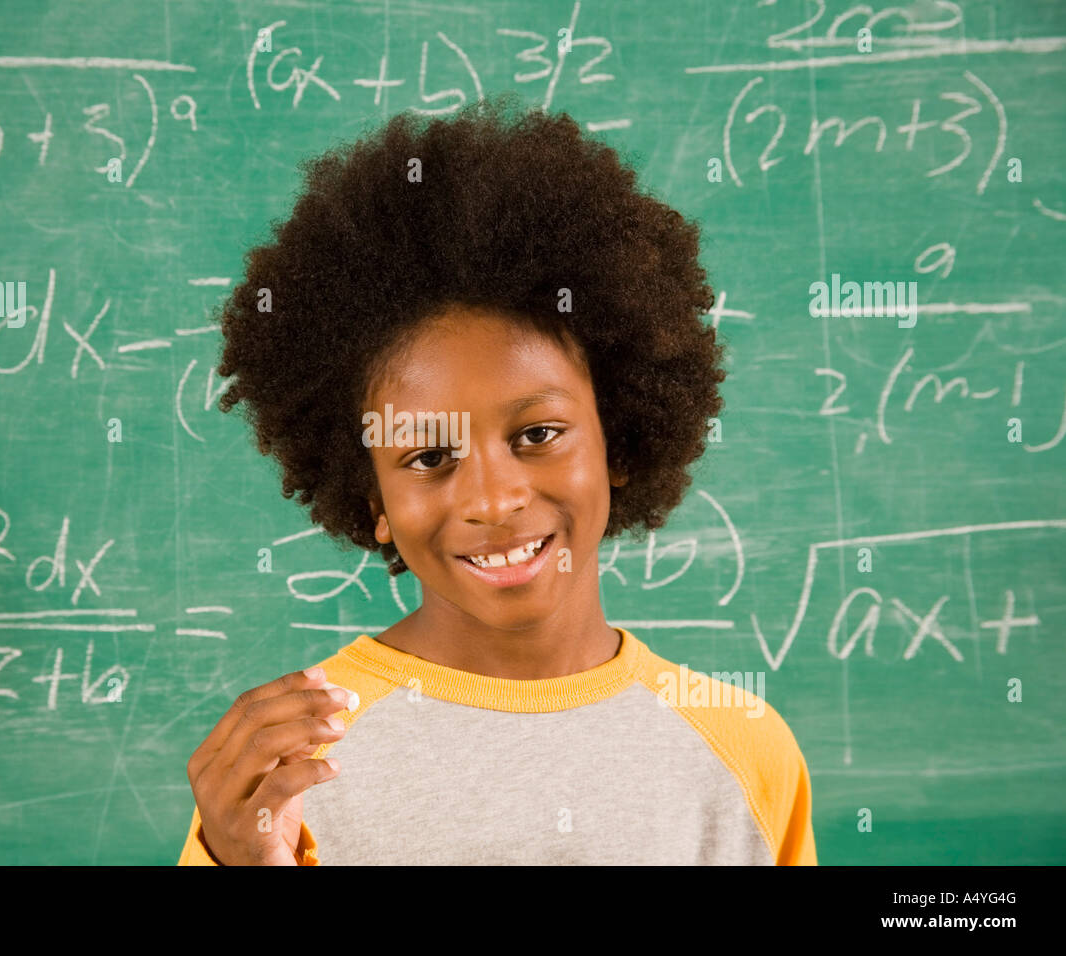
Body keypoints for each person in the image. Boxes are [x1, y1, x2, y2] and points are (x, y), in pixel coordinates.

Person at [180, 95, 816, 865]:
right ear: (372, 496)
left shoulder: (743, 751)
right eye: (427, 457)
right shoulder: (288, 771)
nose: (493, 499)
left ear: (618, 436)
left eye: (538, 435)